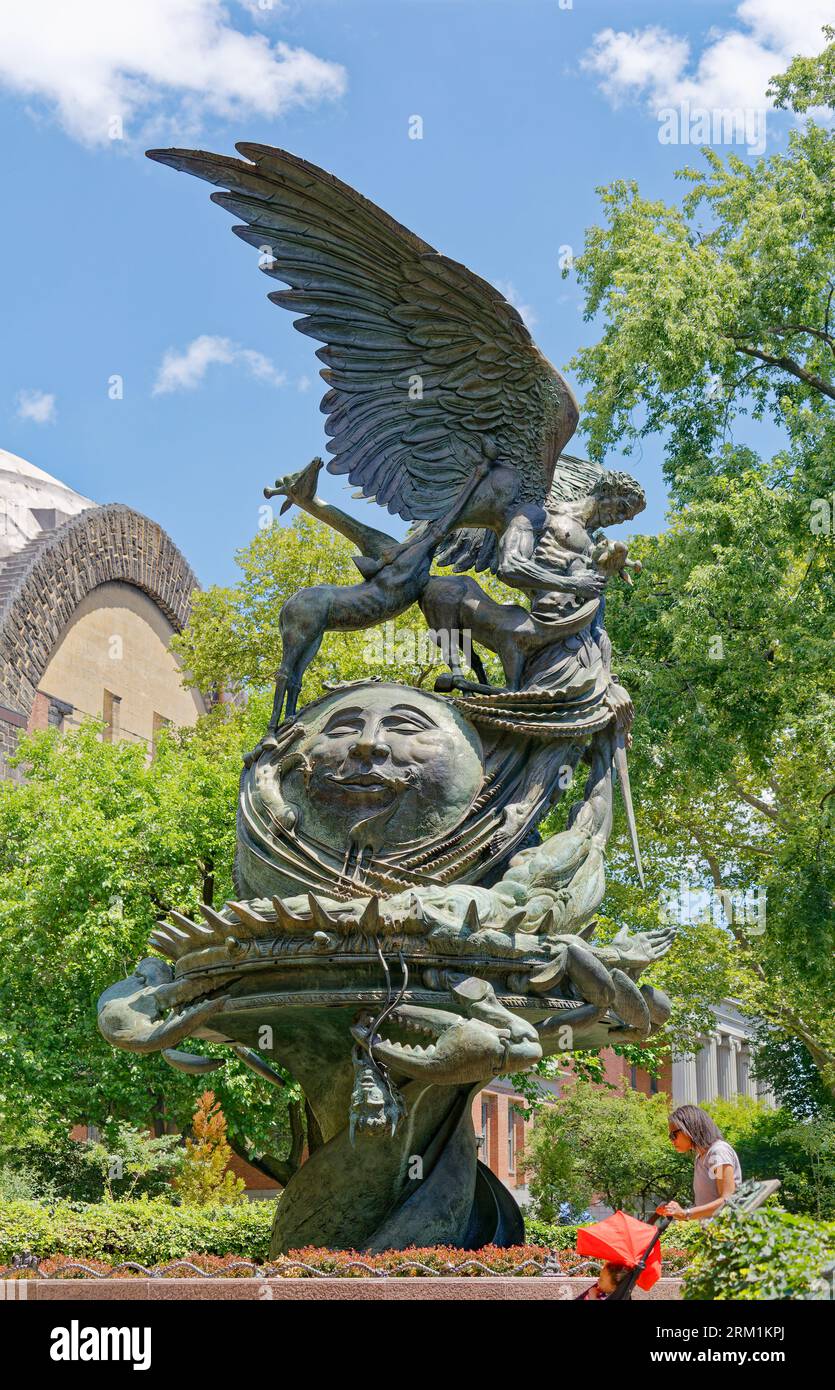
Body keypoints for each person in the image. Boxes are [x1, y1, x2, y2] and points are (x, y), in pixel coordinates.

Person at [657, 1104, 742, 1221]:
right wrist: (676, 1212)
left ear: (689, 1128)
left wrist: (686, 1213)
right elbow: (706, 1205)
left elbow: (727, 1201)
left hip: (726, 1233)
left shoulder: (717, 1153)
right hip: (712, 1232)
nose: (672, 1141)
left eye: (673, 1135)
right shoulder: (701, 1157)